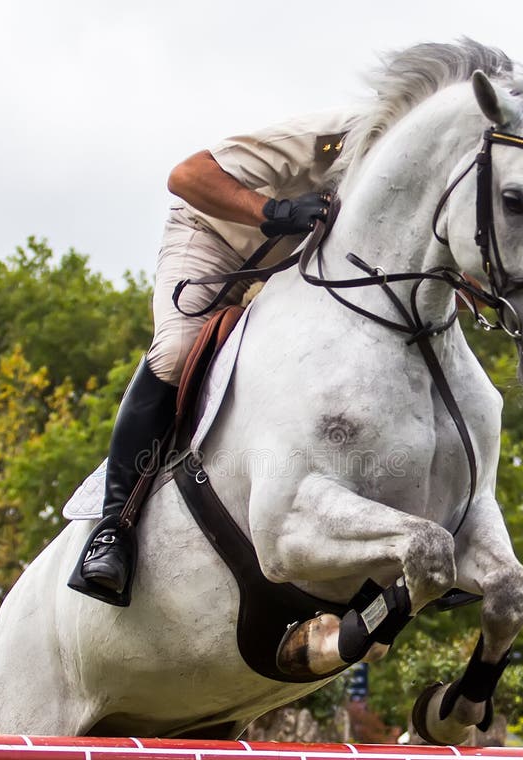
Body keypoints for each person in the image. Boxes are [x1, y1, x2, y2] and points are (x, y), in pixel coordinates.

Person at [72, 108, 359, 604]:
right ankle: (113, 528)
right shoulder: (327, 139)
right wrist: (275, 212)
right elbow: (187, 176)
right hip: (213, 242)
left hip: (286, 280)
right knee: (180, 352)